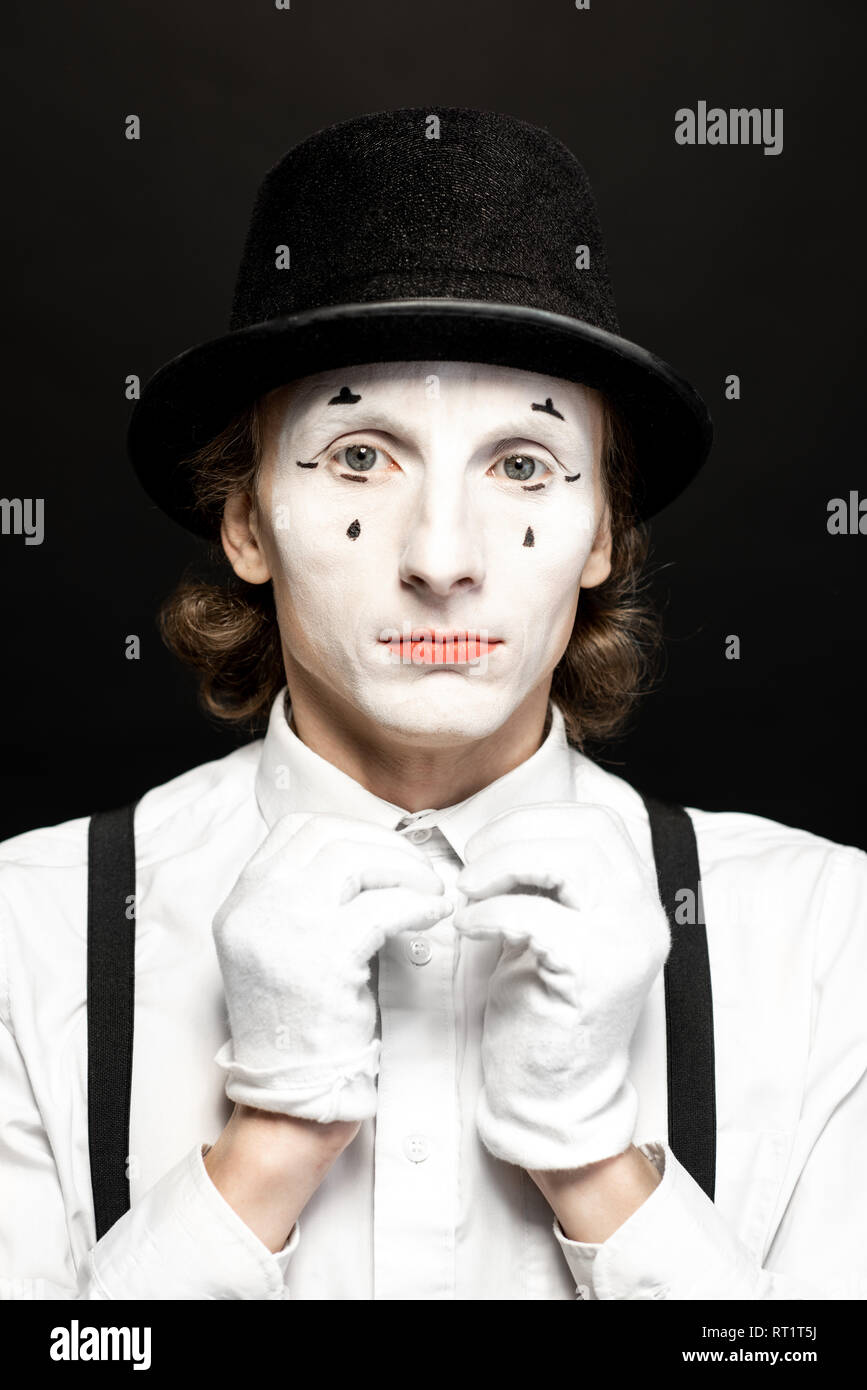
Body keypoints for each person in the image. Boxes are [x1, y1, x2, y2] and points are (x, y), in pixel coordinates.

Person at [1, 106, 865, 1302]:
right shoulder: (24, 934)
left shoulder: (830, 938)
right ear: (245, 520)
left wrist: (604, 1168)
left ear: (602, 528)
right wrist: (268, 1149)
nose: (444, 555)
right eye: (360, 456)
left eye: (522, 464)